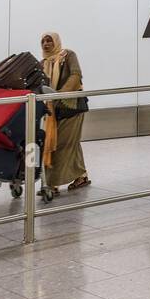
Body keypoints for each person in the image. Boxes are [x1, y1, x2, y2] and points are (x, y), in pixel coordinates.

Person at [40, 32, 89, 194]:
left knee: (60, 143)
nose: (46, 44)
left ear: (57, 42)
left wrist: (60, 94)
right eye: (43, 41)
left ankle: (52, 184)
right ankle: (81, 176)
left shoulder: (67, 55)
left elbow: (76, 75)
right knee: (71, 141)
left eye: (49, 40)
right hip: (54, 110)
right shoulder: (43, 63)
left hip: (72, 106)